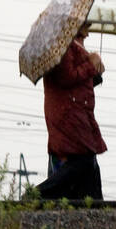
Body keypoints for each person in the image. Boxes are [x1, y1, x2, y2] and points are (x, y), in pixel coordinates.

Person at [33, 19, 107, 201]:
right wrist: (91, 63)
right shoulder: (63, 48)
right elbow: (67, 78)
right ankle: (38, 195)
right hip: (68, 117)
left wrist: (96, 72)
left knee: (87, 164)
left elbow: (80, 83)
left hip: (77, 115)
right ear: (75, 26)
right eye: (85, 27)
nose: (88, 33)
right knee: (84, 160)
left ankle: (96, 207)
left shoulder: (71, 47)